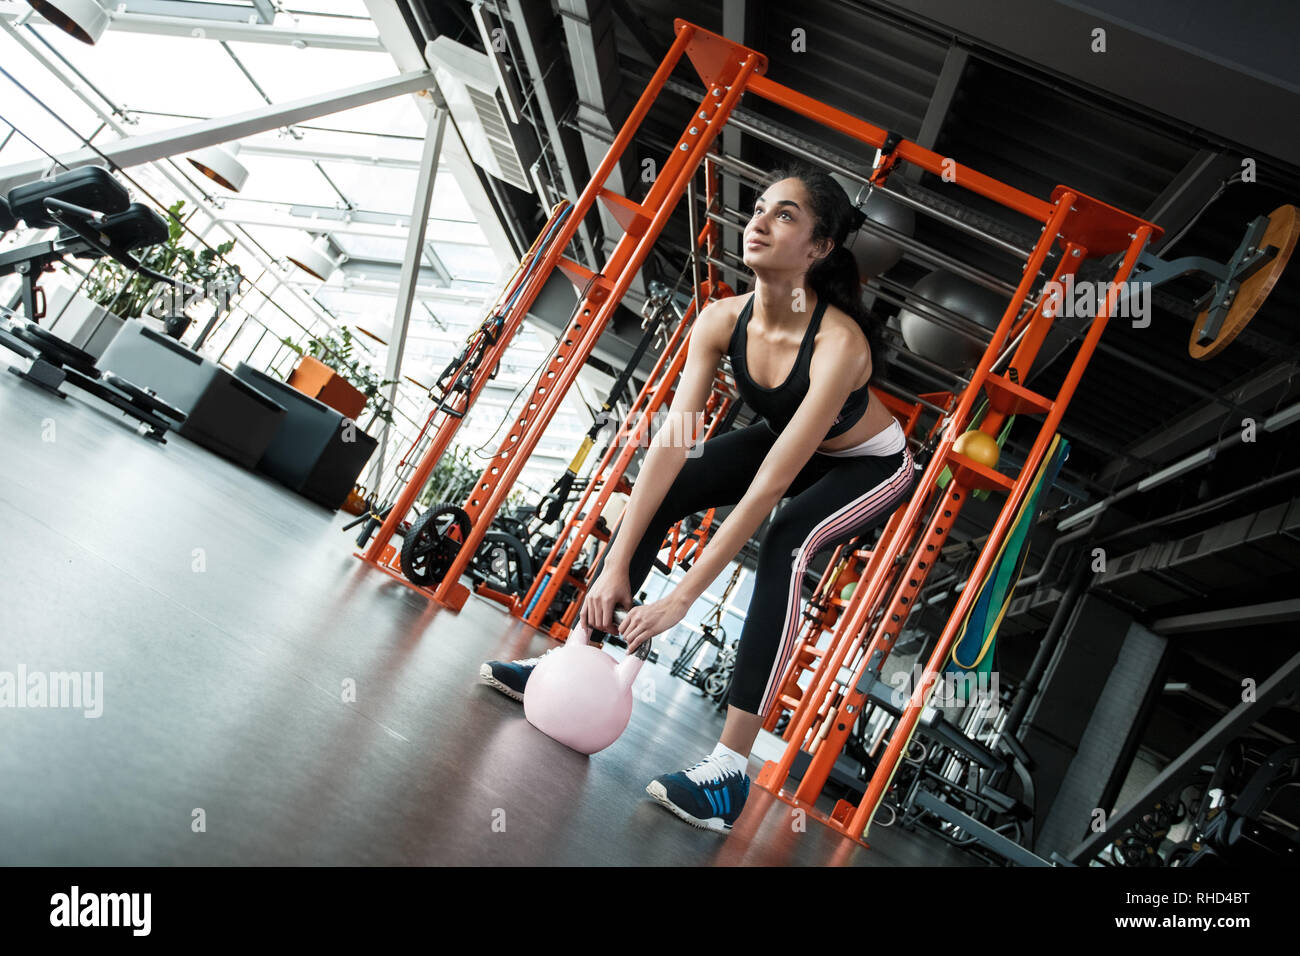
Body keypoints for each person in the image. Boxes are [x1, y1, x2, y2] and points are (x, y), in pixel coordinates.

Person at [480, 162, 917, 832]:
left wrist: (681, 599)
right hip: (787, 441)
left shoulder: (839, 344)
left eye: (785, 216)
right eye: (761, 208)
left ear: (820, 248)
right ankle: (574, 663)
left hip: (867, 466)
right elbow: (673, 442)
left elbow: (772, 484)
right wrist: (620, 561)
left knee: (788, 541)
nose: (760, 222)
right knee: (676, 483)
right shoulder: (720, 320)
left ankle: (729, 775)